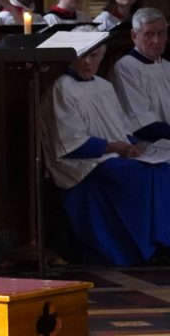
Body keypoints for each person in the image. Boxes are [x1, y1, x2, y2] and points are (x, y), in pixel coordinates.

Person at [46, 41, 170, 266]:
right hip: (83, 161)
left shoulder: (103, 85)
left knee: (163, 169)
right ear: (70, 57)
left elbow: (121, 127)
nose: (87, 62)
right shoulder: (62, 88)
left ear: (101, 58)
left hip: (115, 152)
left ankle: (163, 242)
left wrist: (135, 145)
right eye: (82, 56)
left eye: (94, 56)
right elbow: (70, 141)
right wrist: (117, 147)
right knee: (141, 175)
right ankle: (145, 246)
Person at [110, 8, 170, 142]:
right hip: (147, 145)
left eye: (161, 33)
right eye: (149, 34)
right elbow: (142, 123)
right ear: (134, 35)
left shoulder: (167, 66)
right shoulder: (127, 67)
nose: (156, 40)